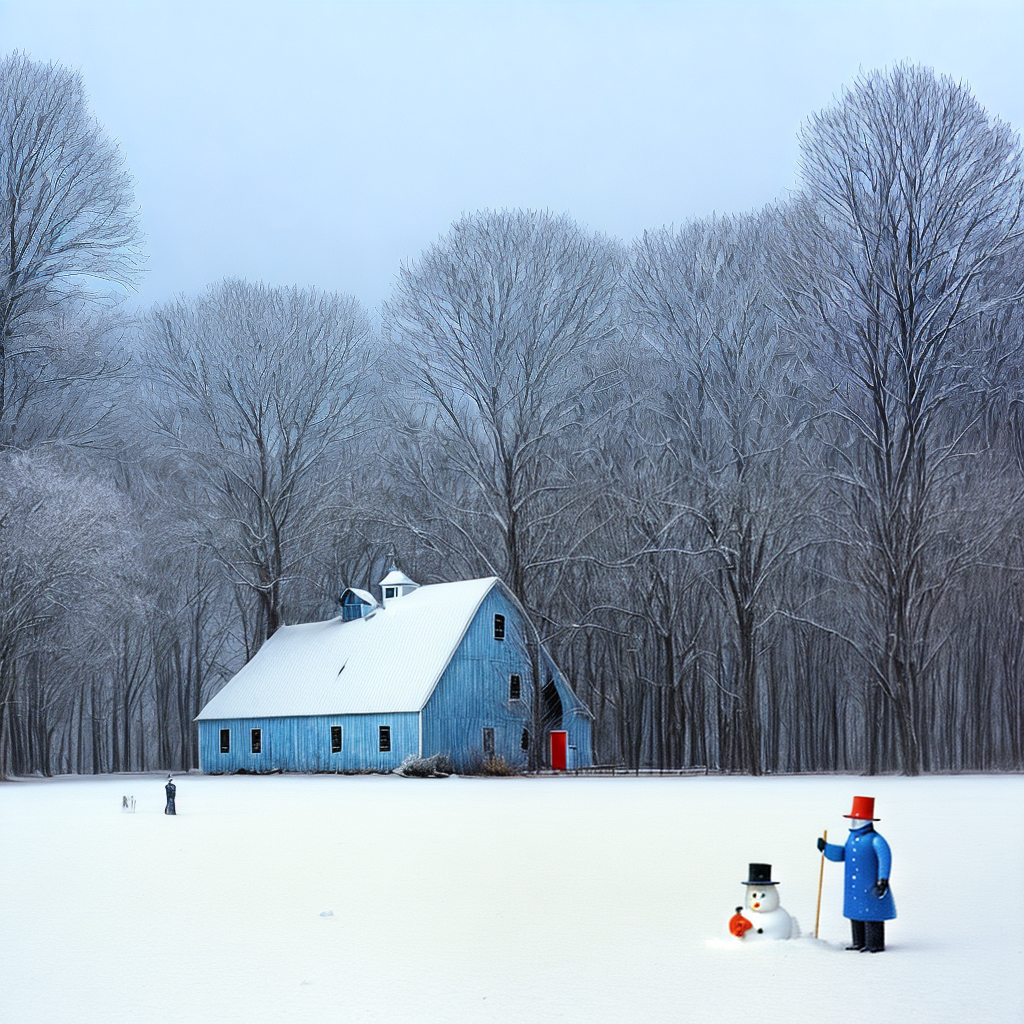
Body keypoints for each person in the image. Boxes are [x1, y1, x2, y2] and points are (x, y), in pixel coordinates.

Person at [817, 795, 896, 952]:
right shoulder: (851, 839)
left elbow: (885, 859)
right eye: (853, 819)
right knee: (856, 914)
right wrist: (826, 848)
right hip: (854, 888)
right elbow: (843, 854)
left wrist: (883, 880)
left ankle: (875, 943)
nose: (854, 823)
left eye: (858, 820)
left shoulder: (876, 840)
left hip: (870, 886)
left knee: (872, 916)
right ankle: (858, 942)